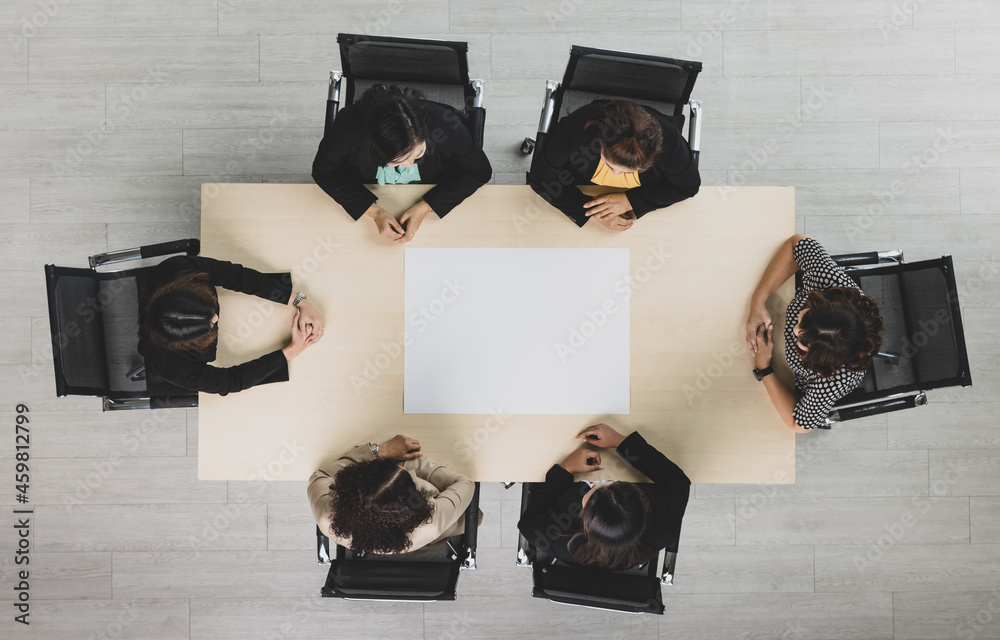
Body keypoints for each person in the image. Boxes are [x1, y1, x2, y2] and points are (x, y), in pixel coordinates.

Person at [312, 84, 493, 243]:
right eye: (397, 161)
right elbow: (323, 172)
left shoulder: (447, 125)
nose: (407, 165)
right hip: (368, 188)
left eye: (418, 154)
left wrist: (426, 207)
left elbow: (480, 171)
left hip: (432, 187)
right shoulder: (349, 128)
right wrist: (374, 212)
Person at [745, 235, 885, 432]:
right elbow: (797, 243)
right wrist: (758, 300)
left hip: (790, 373)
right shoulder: (830, 281)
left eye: (803, 340)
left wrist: (764, 367)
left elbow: (799, 424)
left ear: (822, 360)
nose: (794, 330)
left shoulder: (835, 379)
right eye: (804, 318)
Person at [137, 255, 323, 396]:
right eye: (210, 324)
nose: (217, 318)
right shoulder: (172, 366)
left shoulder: (177, 269)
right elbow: (230, 382)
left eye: (211, 312)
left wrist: (300, 300)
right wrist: (291, 351)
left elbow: (235, 276)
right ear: (188, 344)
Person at [517, 423, 690, 570]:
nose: (598, 483)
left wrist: (566, 469)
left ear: (583, 517)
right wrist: (620, 442)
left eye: (594, 489)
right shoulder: (664, 527)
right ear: (642, 501)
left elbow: (526, 522)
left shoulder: (554, 537)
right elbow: (677, 481)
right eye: (613, 484)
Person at [527, 98, 700, 231]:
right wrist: (592, 211)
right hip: (579, 180)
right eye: (610, 166)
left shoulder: (670, 145)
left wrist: (631, 201)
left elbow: (689, 187)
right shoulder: (576, 131)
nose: (615, 175)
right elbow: (541, 178)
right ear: (601, 145)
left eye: (629, 171)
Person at [308, 434, 476, 555]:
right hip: (425, 542)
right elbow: (466, 484)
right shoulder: (431, 521)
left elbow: (320, 476)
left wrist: (379, 452)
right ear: (411, 502)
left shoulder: (327, 515)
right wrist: (415, 463)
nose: (400, 467)